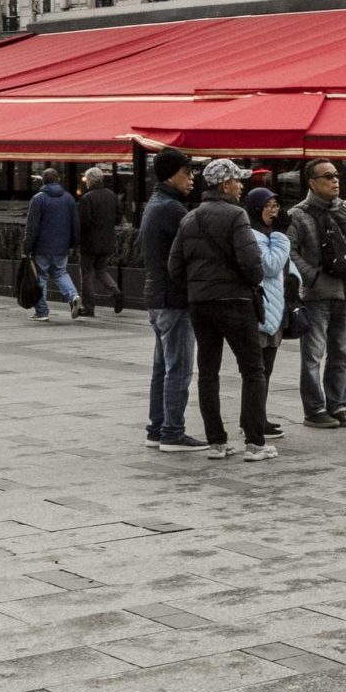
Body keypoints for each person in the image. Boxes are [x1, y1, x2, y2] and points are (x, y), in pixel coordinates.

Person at [169, 158, 271, 461]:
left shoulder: (190, 218)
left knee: (208, 372)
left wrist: (197, 287)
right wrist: (251, 282)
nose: (241, 187)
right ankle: (255, 443)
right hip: (235, 301)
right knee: (252, 370)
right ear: (225, 185)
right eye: (237, 181)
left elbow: (174, 266)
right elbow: (252, 262)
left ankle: (217, 442)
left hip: (200, 304)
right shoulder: (236, 215)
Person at [287, 159, 346, 427]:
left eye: (336, 175)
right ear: (312, 182)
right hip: (316, 297)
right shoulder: (298, 215)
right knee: (313, 356)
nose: (335, 181)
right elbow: (290, 251)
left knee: (342, 354)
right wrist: (312, 277)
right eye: (328, 176)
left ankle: (338, 406)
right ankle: (314, 410)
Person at [139, 150, 204, 452]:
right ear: (171, 175)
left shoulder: (156, 204)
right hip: (174, 299)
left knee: (163, 367)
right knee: (178, 368)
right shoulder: (171, 209)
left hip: (157, 296)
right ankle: (173, 432)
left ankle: (157, 429)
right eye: (187, 173)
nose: (192, 179)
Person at [245, 186, 294, 436]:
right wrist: (281, 235)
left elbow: (287, 266)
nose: (274, 210)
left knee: (267, 369)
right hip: (261, 311)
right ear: (256, 208)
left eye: (276, 205)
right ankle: (253, 421)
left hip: (276, 309)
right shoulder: (253, 235)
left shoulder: (270, 234)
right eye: (268, 205)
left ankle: (258, 417)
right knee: (258, 371)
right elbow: (272, 265)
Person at [23, 166, 85, 323]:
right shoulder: (69, 198)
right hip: (62, 246)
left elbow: (32, 227)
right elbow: (75, 224)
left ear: (43, 181)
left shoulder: (38, 199)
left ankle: (42, 312)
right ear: (58, 179)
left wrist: (26, 247)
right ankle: (73, 296)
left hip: (42, 247)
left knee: (41, 277)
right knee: (60, 273)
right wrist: (74, 244)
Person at [77, 166, 123, 314]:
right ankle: (116, 292)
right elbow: (118, 218)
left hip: (89, 243)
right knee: (101, 270)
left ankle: (89, 307)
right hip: (107, 241)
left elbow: (83, 222)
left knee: (87, 274)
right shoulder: (112, 195)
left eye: (87, 180)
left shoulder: (87, 198)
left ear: (90, 180)